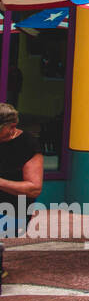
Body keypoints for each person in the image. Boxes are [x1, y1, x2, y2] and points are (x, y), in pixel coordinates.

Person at [0, 103, 42, 242]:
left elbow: (34, 189)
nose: (13, 131)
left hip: (12, 209)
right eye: (9, 127)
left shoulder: (27, 143)